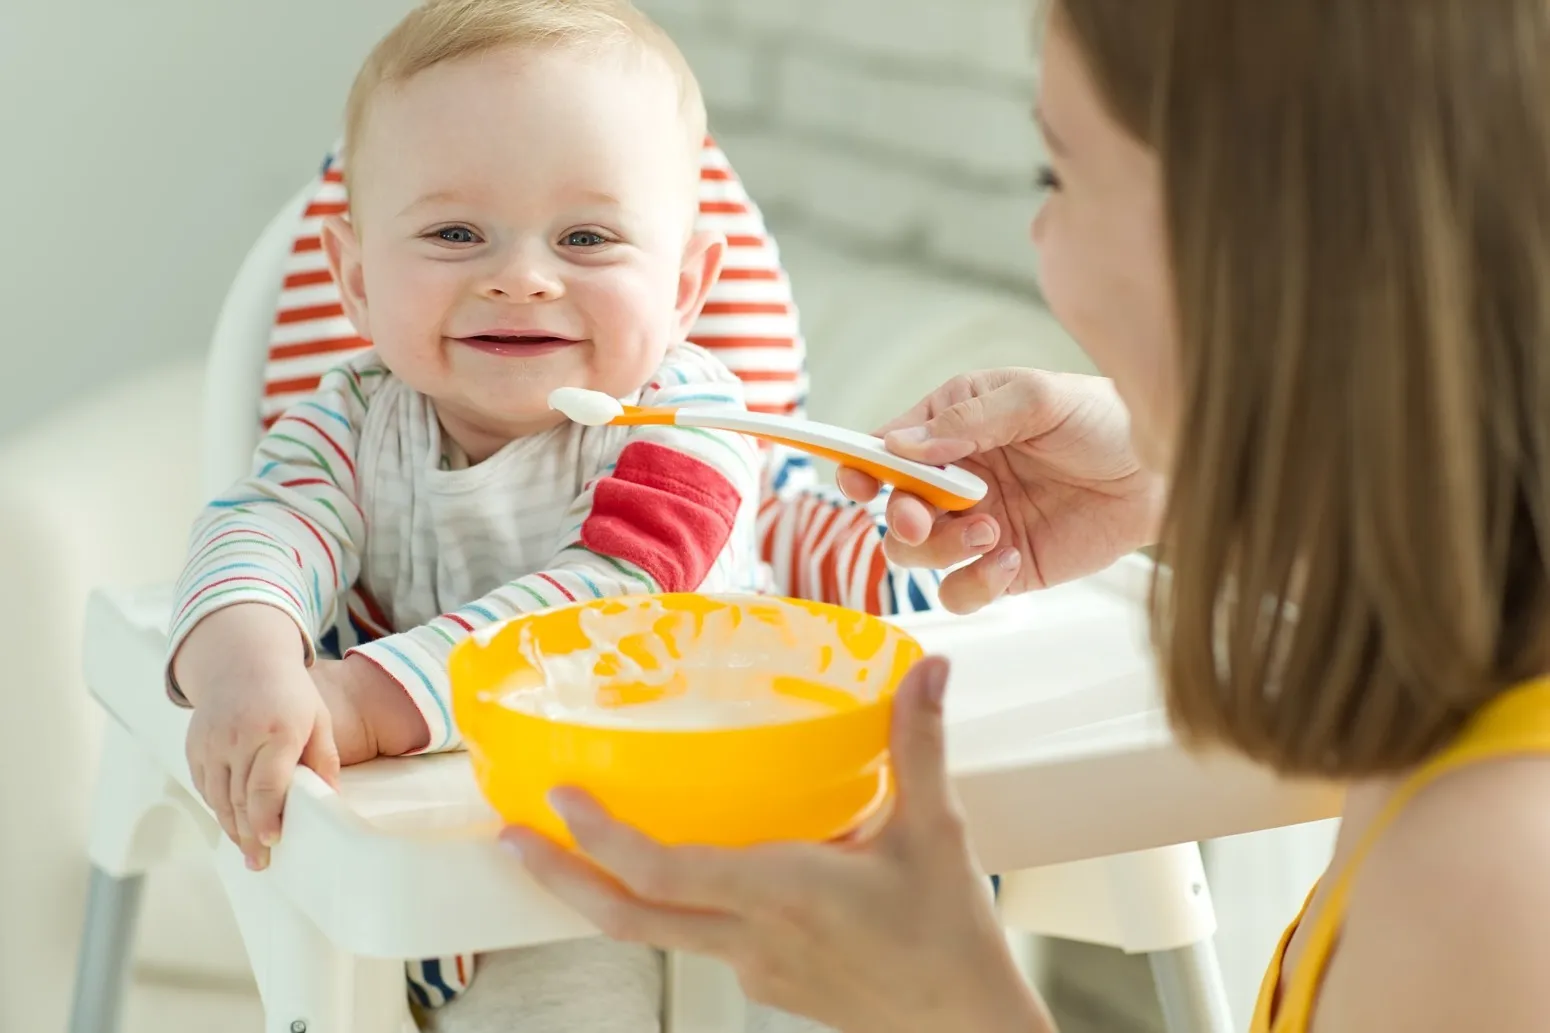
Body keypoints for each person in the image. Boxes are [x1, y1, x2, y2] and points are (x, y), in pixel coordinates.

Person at [504, 1, 1550, 1031]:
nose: (1039, 237)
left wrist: (949, 1009)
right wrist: (1183, 471)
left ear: (1248, 250)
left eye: (1056, 174)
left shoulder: (1487, 877)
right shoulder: (1457, 693)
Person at [167, 0, 824, 1029]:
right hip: (507, 878)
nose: (520, 275)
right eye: (454, 231)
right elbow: (262, 523)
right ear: (354, 277)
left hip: (732, 854)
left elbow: (618, 609)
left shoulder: (689, 424)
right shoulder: (348, 417)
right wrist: (246, 659)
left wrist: (364, 703)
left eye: (588, 235)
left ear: (687, 287)